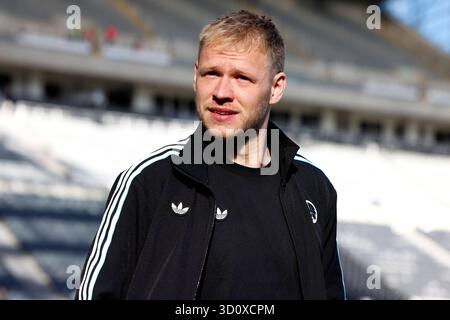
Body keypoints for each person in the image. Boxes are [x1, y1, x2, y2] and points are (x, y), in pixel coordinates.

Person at [76, 10, 346, 300]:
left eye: (242, 78)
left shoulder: (313, 188)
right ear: (195, 77)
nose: (221, 92)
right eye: (211, 73)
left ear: (275, 88)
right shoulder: (150, 180)